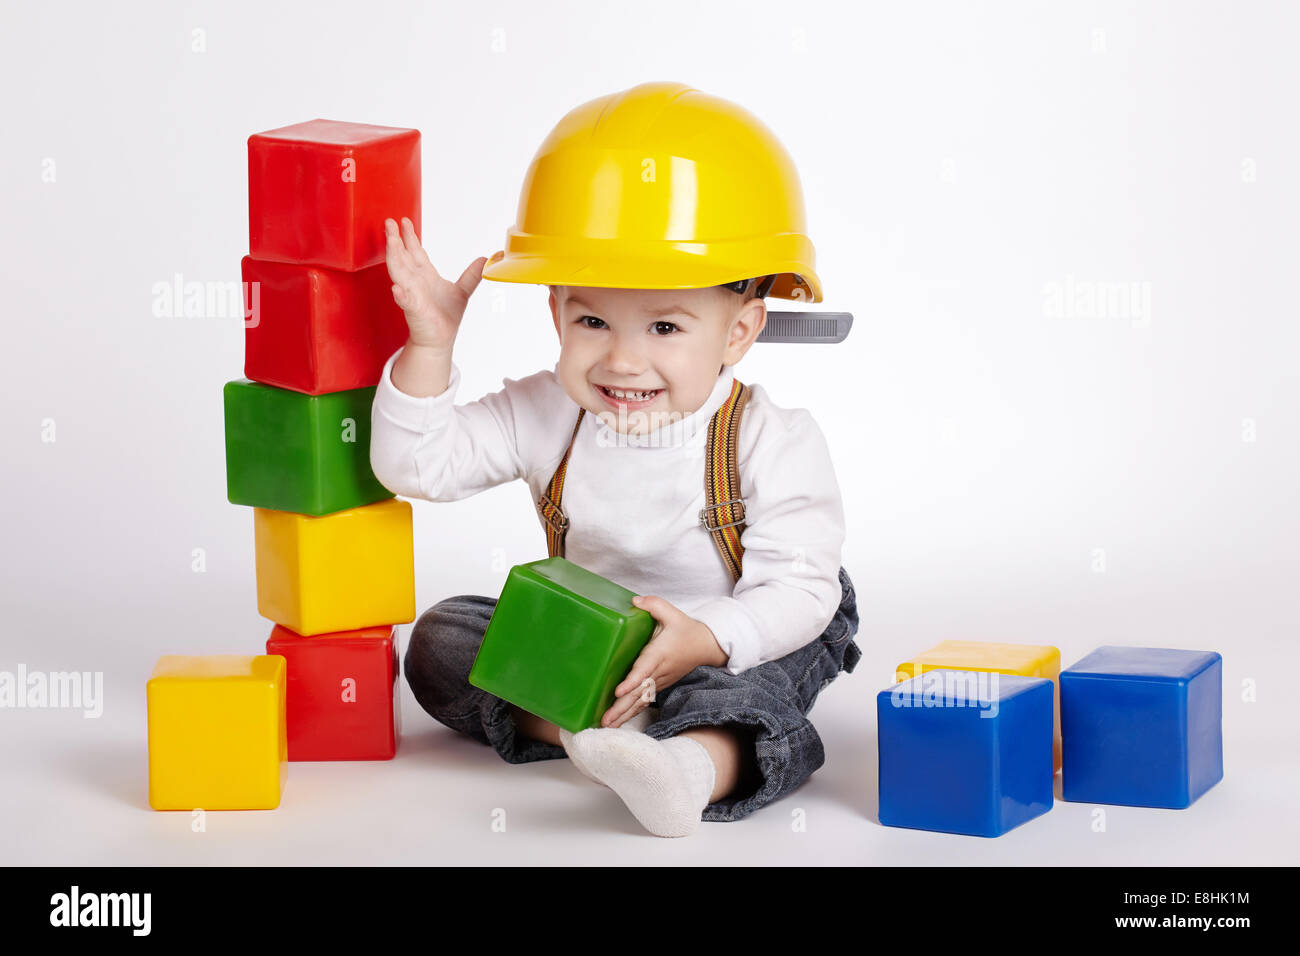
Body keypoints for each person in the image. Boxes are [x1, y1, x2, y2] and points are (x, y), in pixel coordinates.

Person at [369, 82, 861, 837]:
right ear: (554, 307)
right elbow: (416, 465)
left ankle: (689, 766)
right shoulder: (547, 411)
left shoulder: (771, 439)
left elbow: (800, 590)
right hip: (589, 651)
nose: (623, 360)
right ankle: (603, 736)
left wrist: (707, 638)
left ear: (739, 331)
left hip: (732, 639)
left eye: (665, 326)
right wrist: (430, 345)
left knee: (755, 695)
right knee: (443, 640)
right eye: (592, 319)